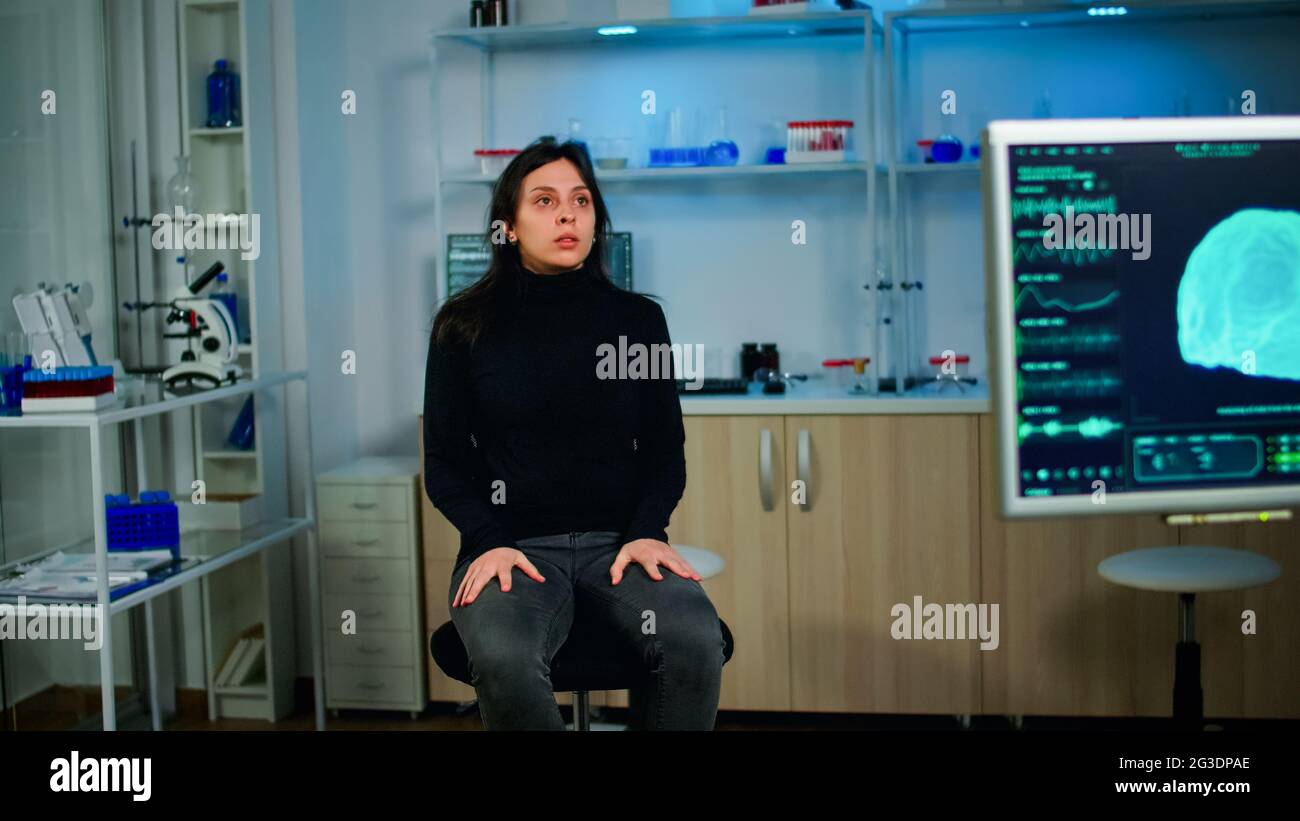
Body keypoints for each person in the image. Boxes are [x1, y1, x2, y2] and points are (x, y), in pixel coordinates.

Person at [422, 136, 725, 730]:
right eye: (544, 200)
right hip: (511, 549)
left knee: (694, 638)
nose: (567, 215)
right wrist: (487, 539)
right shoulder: (461, 325)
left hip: (620, 547)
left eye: (581, 201)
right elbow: (444, 462)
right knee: (505, 659)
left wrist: (648, 530)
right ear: (508, 226)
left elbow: (665, 450)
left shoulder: (639, 320)